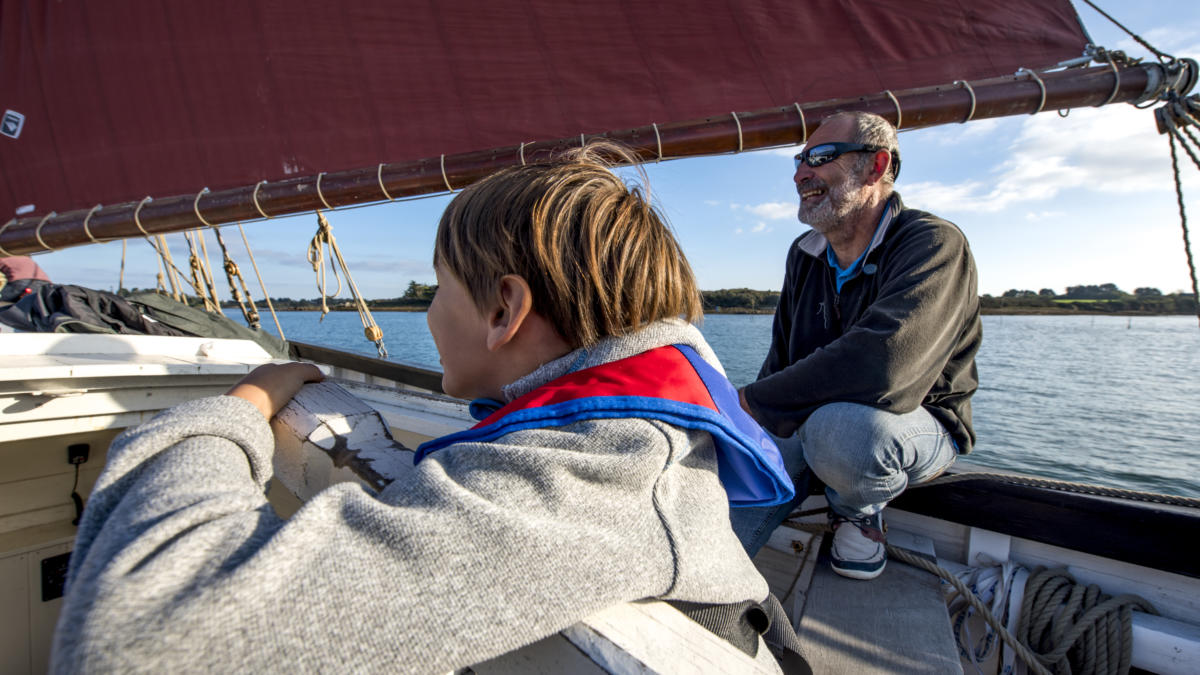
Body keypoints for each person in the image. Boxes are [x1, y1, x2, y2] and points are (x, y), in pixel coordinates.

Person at [51, 143, 807, 673]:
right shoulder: (626, 436)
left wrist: (238, 409)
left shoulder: (603, 477)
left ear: (504, 307)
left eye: (438, 285)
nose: (428, 313)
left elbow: (141, 637)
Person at [730, 111, 981, 581]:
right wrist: (745, 423)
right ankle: (696, 577)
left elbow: (887, 367)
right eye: (800, 160)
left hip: (912, 424)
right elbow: (780, 361)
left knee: (841, 433)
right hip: (813, 419)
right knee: (741, 456)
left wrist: (752, 401)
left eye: (821, 157)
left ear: (876, 166)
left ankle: (858, 512)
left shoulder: (932, 244)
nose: (801, 172)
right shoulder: (803, 255)